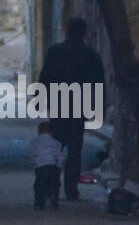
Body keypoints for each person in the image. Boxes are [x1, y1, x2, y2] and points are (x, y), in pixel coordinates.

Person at [38, 17, 105, 201]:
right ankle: (71, 189)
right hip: (78, 109)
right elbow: (98, 84)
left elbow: (45, 77)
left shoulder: (55, 52)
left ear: (67, 31)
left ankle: (52, 186)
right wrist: (98, 109)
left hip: (58, 107)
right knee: (75, 151)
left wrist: (40, 100)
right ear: (84, 33)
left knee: (55, 148)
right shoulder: (91, 55)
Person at [29, 121, 65, 210]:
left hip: (40, 166)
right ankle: (54, 199)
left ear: (39, 131)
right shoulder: (56, 143)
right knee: (55, 184)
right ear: (51, 132)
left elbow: (32, 154)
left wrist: (34, 163)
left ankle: (39, 203)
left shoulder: (35, 142)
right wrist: (59, 166)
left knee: (39, 185)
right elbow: (60, 156)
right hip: (52, 166)